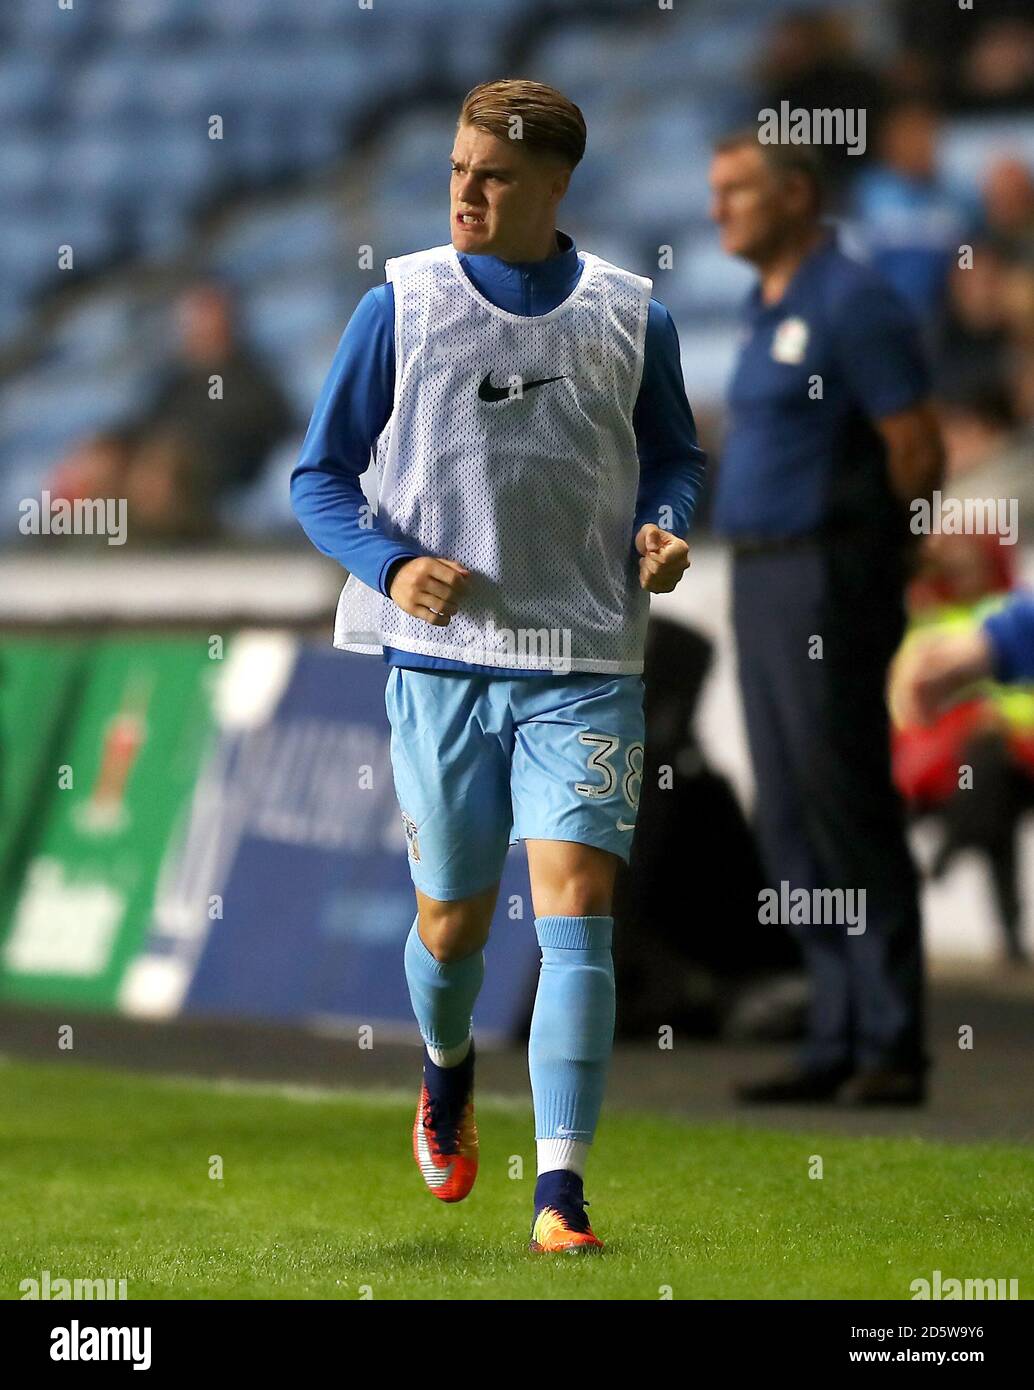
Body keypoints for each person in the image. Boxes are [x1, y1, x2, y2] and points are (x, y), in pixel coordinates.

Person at [291, 80, 706, 1252]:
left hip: (583, 657)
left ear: (555, 185)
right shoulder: (402, 305)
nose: (467, 192)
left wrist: (664, 527)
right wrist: (385, 564)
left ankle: (560, 1194)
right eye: (460, 169)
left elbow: (671, 457)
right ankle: (443, 1064)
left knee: (575, 909)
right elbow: (318, 477)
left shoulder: (634, 318)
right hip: (439, 659)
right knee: (456, 925)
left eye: (495, 176)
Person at [708, 128, 944, 1105]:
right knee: (789, 811)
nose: (719, 208)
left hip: (824, 577)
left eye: (738, 191)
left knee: (842, 797)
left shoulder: (853, 302)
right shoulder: (762, 308)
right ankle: (834, 1026)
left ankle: (889, 1039)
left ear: (798, 194)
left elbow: (915, 445)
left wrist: (875, 551)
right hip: (758, 578)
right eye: (715, 191)